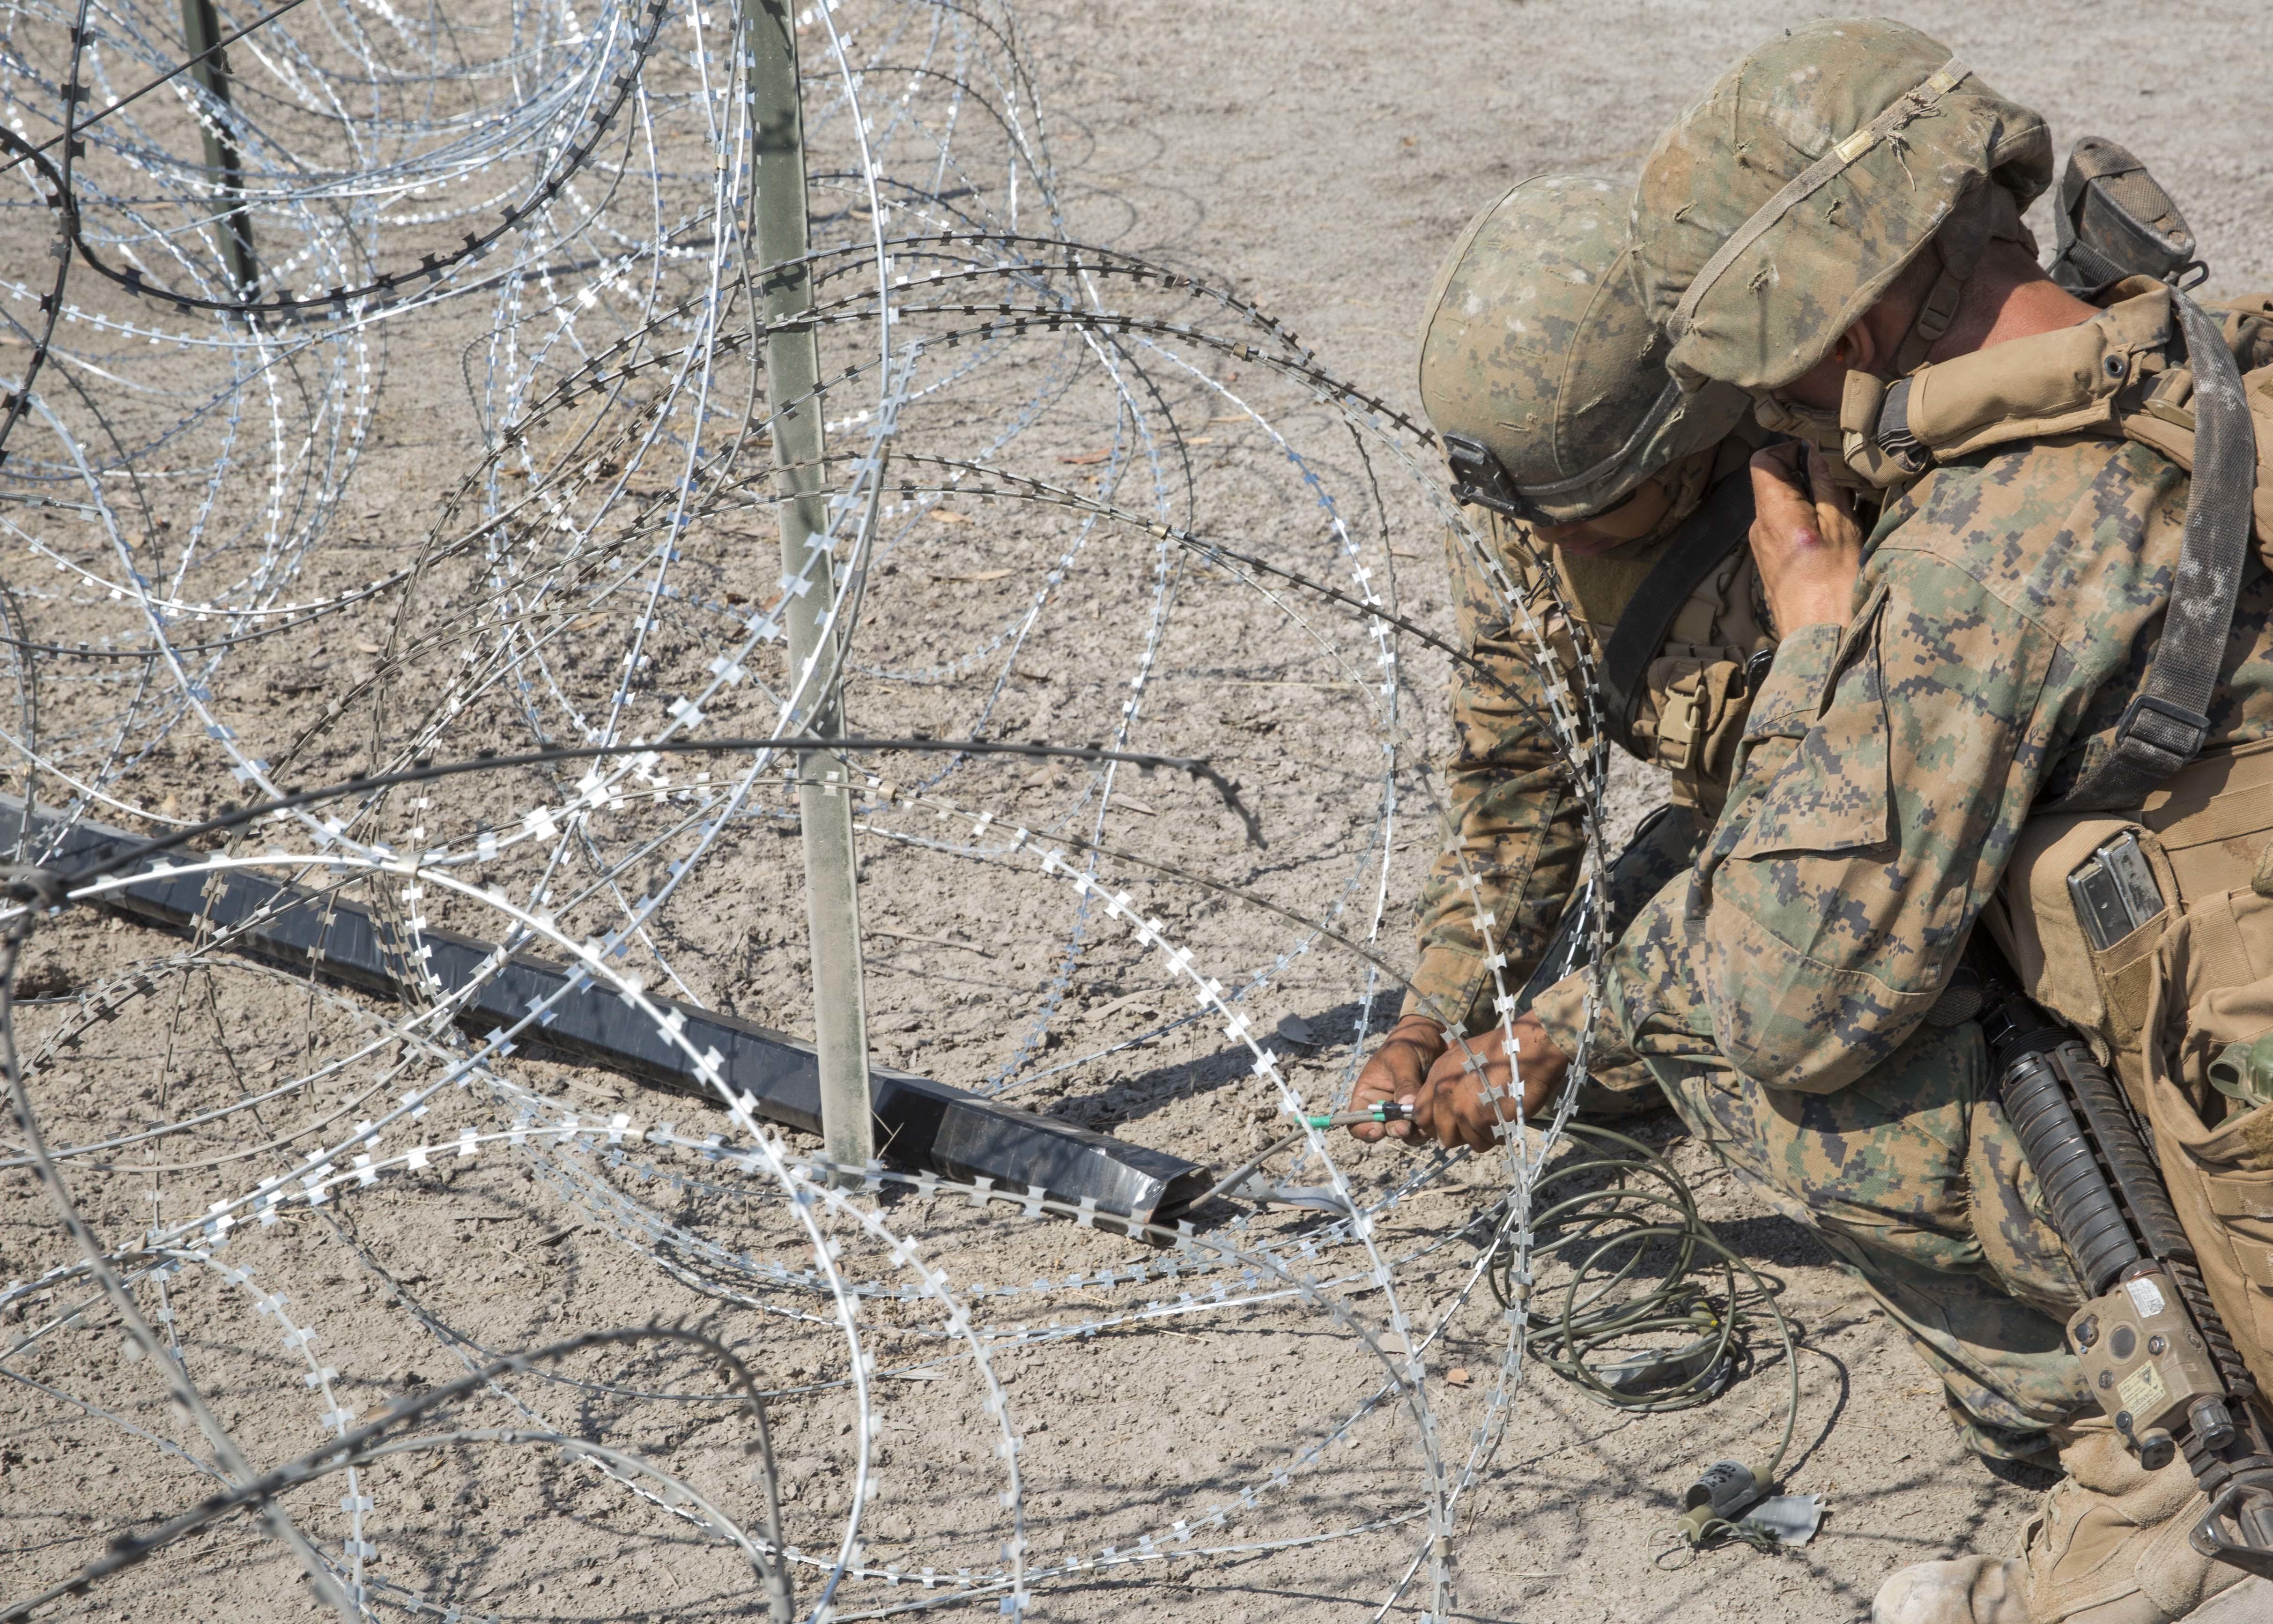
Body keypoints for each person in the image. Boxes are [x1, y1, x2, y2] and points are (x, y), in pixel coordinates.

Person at [1543, 18, 2273, 1624]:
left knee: (1729, 999)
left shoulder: (1989, 548)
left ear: (1857, 309)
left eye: (1765, 368)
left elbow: (1782, 1000)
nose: (1771, 418)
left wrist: (1813, 637)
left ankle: (2155, 1460)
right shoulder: (2209, 359)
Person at [1350, 172, 1768, 1134]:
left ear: (1683, 437)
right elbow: (1518, 780)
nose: (1543, 537)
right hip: (1743, 829)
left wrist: (1583, 1031)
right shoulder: (1527, 506)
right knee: (1521, 1028)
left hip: (1897, 859)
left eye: (1576, 505)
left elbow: (1862, 857)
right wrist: (1432, 1014)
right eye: (1523, 507)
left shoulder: (1830, 491)